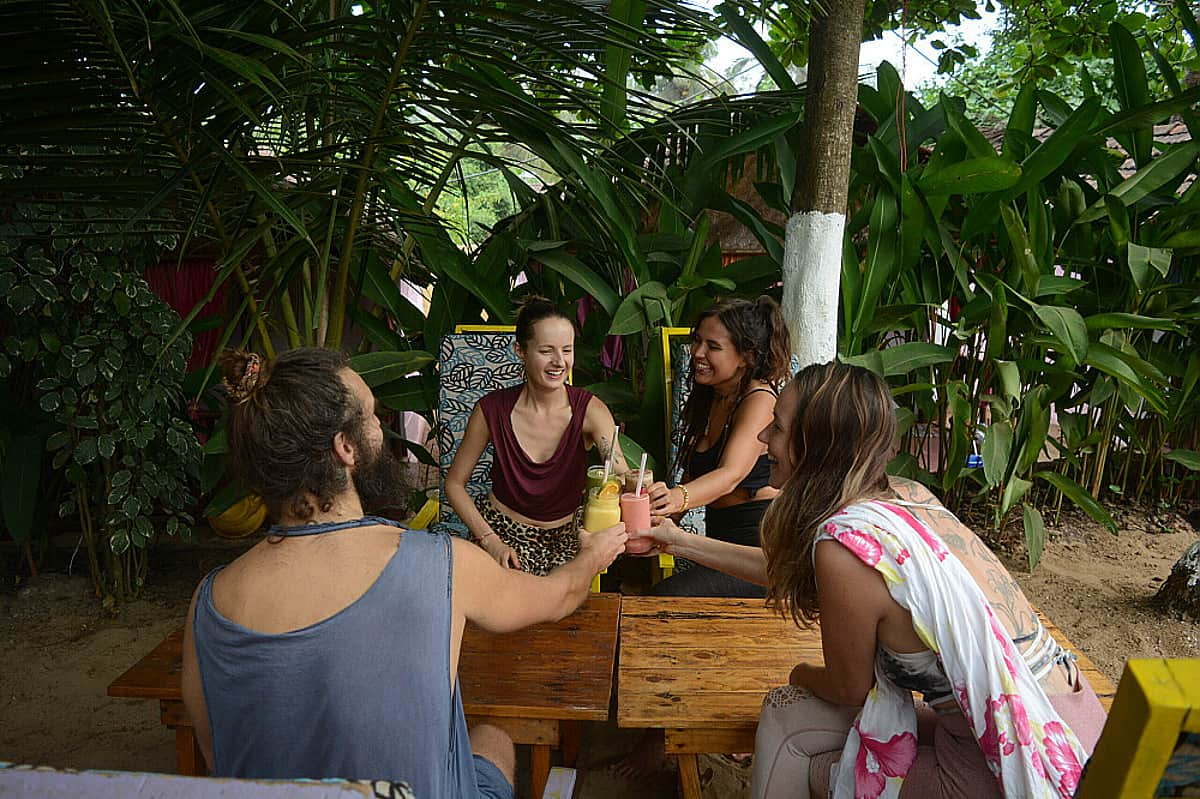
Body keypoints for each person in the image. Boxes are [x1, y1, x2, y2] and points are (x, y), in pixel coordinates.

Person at [629, 362, 1108, 798]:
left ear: (812, 446)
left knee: (805, 750)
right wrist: (677, 542)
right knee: (787, 712)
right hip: (1069, 716)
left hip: (1012, 758)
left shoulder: (843, 547)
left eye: (776, 428)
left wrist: (796, 675)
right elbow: (789, 574)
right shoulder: (904, 496)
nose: (764, 441)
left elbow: (848, 689)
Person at [181, 348, 626, 799]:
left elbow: (221, 755)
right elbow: (560, 596)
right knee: (493, 738)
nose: (381, 425)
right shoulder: (442, 563)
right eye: (373, 415)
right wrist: (593, 555)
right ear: (345, 447)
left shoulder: (210, 598)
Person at [446, 296, 627, 575]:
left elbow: (619, 474)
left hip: (569, 537)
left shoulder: (591, 410)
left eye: (567, 350)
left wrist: (641, 486)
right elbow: (454, 484)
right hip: (503, 535)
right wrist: (490, 541)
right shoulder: (490, 410)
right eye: (546, 351)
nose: (559, 362)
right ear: (520, 351)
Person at [646, 296, 791, 598]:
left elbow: (731, 475)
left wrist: (676, 498)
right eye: (697, 341)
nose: (697, 353)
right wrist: (659, 522)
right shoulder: (711, 397)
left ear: (746, 356)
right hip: (720, 546)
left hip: (759, 552)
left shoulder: (760, 399)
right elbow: (694, 475)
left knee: (666, 599)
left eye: (713, 346)